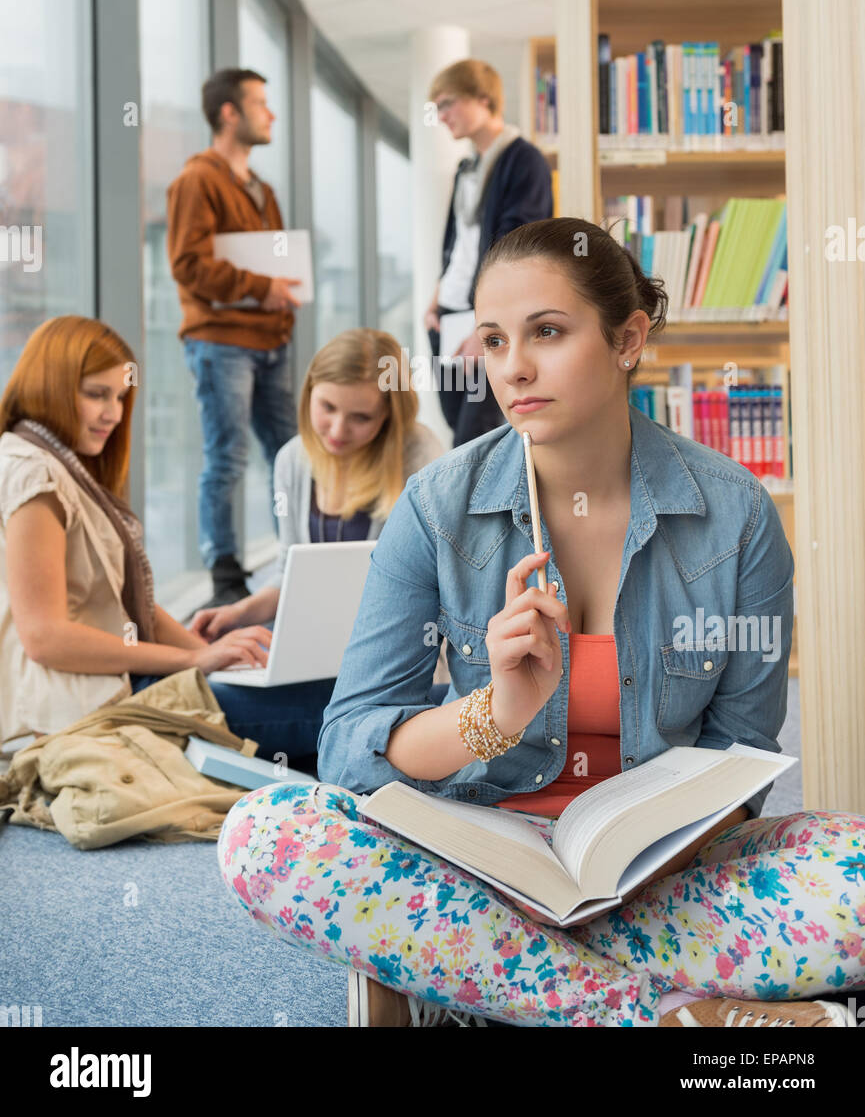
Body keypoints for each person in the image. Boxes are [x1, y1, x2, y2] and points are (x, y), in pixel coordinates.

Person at [218, 218, 864, 1028]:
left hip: (652, 884)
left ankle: (458, 975)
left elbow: (740, 765)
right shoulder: (436, 506)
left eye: (547, 333)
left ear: (627, 338)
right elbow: (350, 750)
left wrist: (632, 874)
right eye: (492, 341)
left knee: (856, 870)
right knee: (267, 835)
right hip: (469, 860)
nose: (513, 367)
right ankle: (662, 1015)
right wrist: (494, 715)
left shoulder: (735, 517)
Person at [0, 315, 310, 765]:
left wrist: (213, 654)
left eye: (121, 397)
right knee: (325, 708)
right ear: (51, 384)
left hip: (115, 679)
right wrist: (194, 662)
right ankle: (447, 727)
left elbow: (131, 606)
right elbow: (45, 638)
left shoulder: (56, 463)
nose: (113, 413)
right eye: (96, 394)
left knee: (317, 697)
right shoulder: (34, 473)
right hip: (85, 701)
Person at [191, 325, 446, 654]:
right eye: (327, 407)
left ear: (389, 415)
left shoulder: (420, 457)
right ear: (309, 391)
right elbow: (290, 577)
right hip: (317, 645)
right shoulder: (291, 460)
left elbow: (433, 585)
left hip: (394, 648)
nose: (338, 430)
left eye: (361, 417)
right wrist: (238, 613)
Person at [166, 67, 303, 607]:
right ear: (230, 113)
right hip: (222, 340)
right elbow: (187, 264)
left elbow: (274, 261)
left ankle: (293, 558)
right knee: (227, 456)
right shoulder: (196, 181)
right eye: (260, 103)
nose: (270, 114)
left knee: (289, 454)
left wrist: (280, 290)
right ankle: (225, 577)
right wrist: (260, 286)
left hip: (272, 340)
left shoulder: (262, 190)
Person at [423, 59, 552, 447]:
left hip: (481, 318)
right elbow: (457, 245)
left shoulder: (523, 161)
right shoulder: (468, 167)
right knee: (454, 426)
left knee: (476, 437)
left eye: (448, 104)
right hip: (446, 315)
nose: (442, 116)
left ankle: (478, 511)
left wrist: (488, 328)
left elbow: (514, 254)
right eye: (437, 108)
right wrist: (433, 301)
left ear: (483, 99)